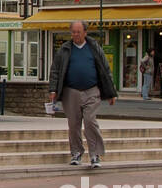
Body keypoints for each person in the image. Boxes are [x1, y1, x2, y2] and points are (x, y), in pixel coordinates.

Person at [48, 20, 117, 167]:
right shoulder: (65, 49)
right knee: (73, 124)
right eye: (73, 32)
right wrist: (53, 90)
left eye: (78, 32)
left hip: (91, 90)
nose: (75, 35)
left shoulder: (94, 48)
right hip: (70, 91)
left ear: (85, 32)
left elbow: (105, 70)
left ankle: (95, 154)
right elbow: (55, 70)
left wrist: (111, 93)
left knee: (90, 121)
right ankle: (76, 152)